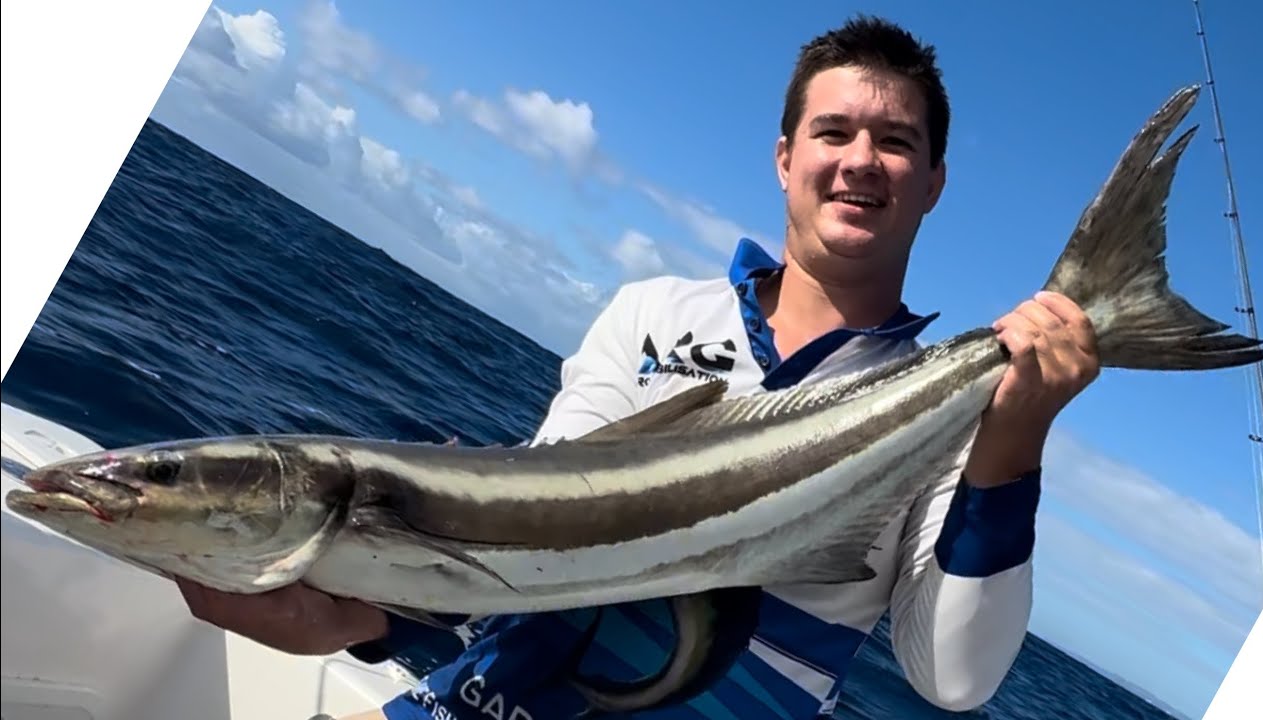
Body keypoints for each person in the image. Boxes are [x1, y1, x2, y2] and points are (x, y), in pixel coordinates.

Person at [177, 14, 1101, 720]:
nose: (861, 160)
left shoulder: (958, 426)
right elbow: (533, 539)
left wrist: (1015, 440)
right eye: (834, 132)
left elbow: (955, 676)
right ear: (786, 158)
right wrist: (370, 624)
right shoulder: (655, 313)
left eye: (895, 141)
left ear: (934, 181)